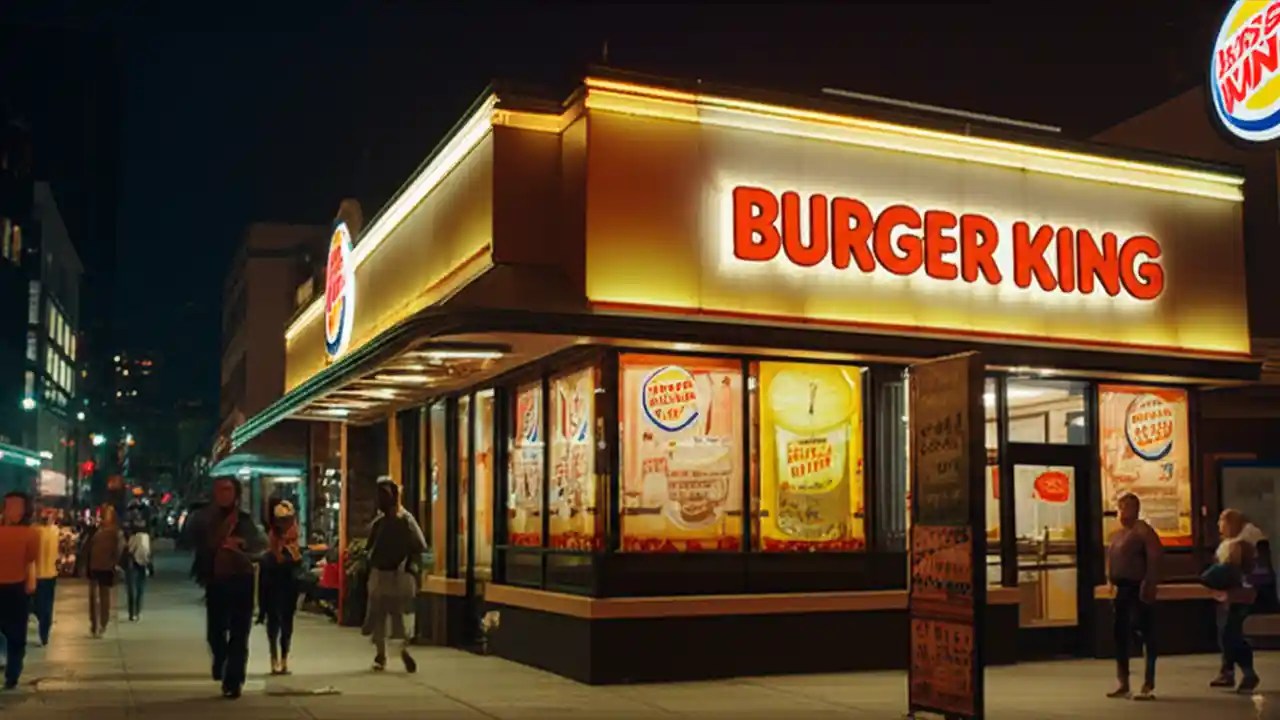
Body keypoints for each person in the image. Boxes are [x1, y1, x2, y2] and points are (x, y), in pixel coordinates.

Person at [189, 477, 265, 699]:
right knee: (216, 632)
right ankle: (221, 662)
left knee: (240, 633)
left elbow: (259, 544)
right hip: (217, 581)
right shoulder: (204, 519)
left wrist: (242, 545)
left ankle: (234, 680)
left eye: (229, 490)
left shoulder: (244, 520)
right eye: (221, 490)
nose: (225, 494)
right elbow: (193, 542)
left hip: (241, 579)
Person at [362, 481, 425, 673]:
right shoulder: (389, 521)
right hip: (391, 573)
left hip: (394, 573)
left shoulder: (401, 520)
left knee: (389, 616)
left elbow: (419, 546)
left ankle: (387, 653)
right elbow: (420, 545)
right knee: (390, 616)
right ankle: (391, 651)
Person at [1106, 492, 1163, 701]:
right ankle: (1123, 681)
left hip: (1137, 586)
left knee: (1144, 632)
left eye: (1126, 507)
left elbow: (1155, 557)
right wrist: (1109, 581)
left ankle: (1147, 681)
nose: (1122, 512)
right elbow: (1111, 558)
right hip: (1121, 588)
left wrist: (1149, 582)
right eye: (1120, 507)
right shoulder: (1118, 534)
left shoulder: (1143, 532)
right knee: (1120, 634)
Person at [1210, 509, 1261, 692]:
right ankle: (1227, 671)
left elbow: (1236, 572)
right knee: (1225, 632)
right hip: (1226, 596)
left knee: (1231, 634)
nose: (1218, 525)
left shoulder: (1241, 545)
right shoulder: (1228, 544)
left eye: (1221, 521)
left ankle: (1248, 673)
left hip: (1237, 597)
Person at [258, 498, 302, 675]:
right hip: (272, 590)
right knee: (273, 624)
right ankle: (274, 657)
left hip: (288, 590)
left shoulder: (294, 547)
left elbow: (297, 570)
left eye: (288, 520)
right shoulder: (270, 548)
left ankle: (284, 658)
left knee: (286, 624)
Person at [0, 492, 37, 690]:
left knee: (15, 635)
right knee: (15, 635)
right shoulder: (31, 534)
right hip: (15, 588)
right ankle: (11, 672)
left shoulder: (30, 534)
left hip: (16, 587)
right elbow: (31, 560)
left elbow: (31, 561)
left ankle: (12, 673)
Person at [86, 505, 125, 638]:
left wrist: (115, 562)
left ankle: (102, 623)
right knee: (94, 596)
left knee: (103, 597)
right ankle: (95, 623)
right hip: (94, 566)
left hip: (106, 567)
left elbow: (120, 548)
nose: (103, 517)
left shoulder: (115, 532)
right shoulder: (97, 530)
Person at [31, 510, 59, 646]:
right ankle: (44, 633)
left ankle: (43, 628)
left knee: (38, 605)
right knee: (47, 605)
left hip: (37, 575)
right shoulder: (56, 531)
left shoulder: (35, 531)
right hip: (49, 575)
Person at [124, 518, 152, 622]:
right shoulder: (146, 537)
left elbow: (129, 551)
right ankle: (137, 611)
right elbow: (148, 552)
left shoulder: (133, 537)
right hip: (143, 564)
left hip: (133, 564)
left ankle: (132, 613)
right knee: (140, 589)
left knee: (132, 590)